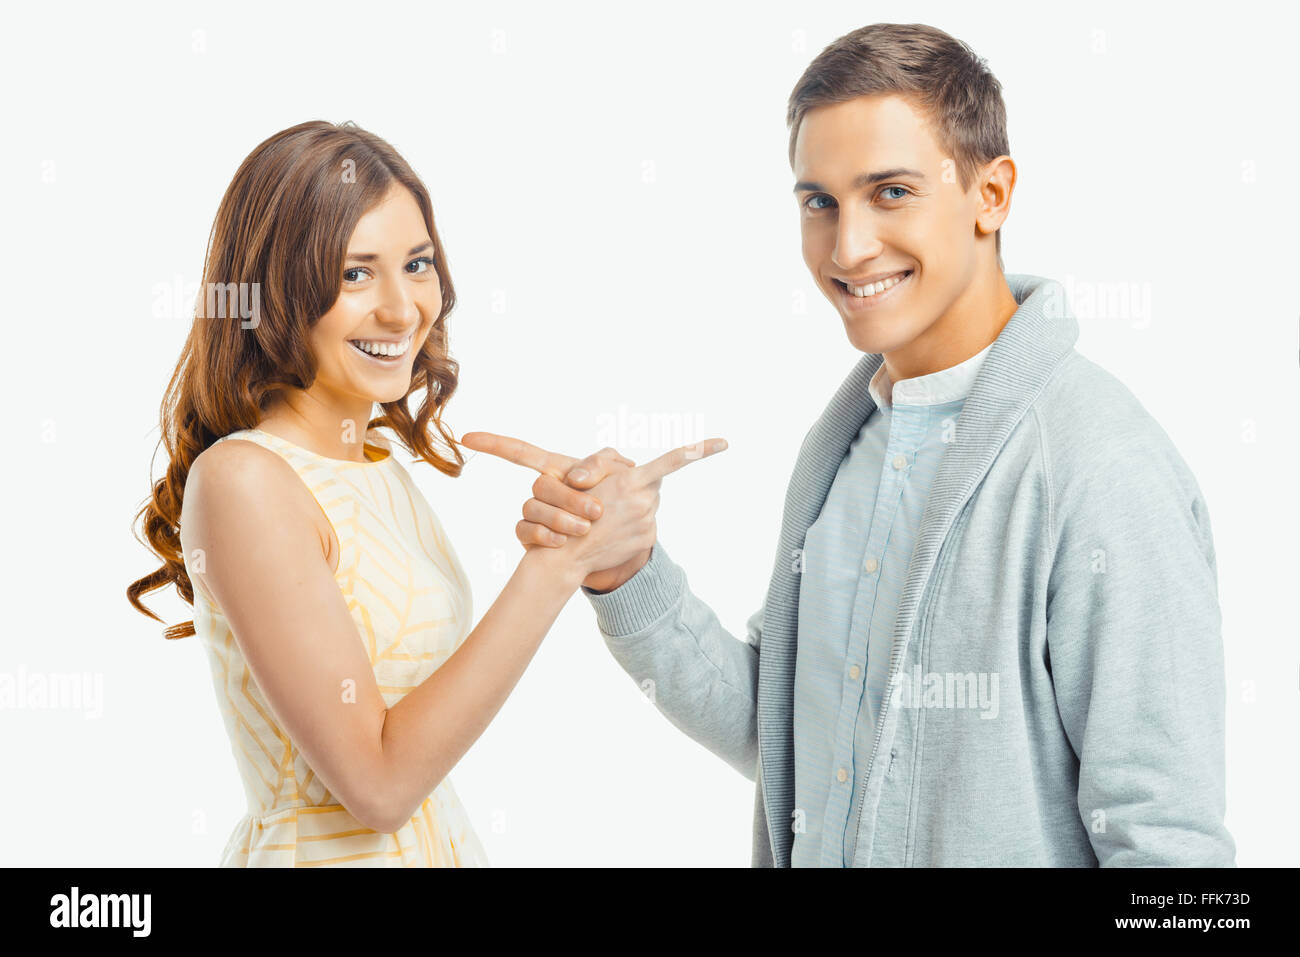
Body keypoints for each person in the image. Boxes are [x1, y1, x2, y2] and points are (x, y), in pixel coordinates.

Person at [465, 23, 1236, 867]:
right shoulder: (847, 446)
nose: (848, 247)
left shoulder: (1103, 467)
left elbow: (1171, 851)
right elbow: (787, 732)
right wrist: (627, 570)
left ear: (992, 193)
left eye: (891, 192)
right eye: (819, 201)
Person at [126, 120, 725, 867]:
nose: (402, 308)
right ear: (276, 291)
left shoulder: (376, 465)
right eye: (354, 274)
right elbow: (378, 785)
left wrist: (589, 537)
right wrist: (556, 564)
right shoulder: (243, 480)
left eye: (417, 264)